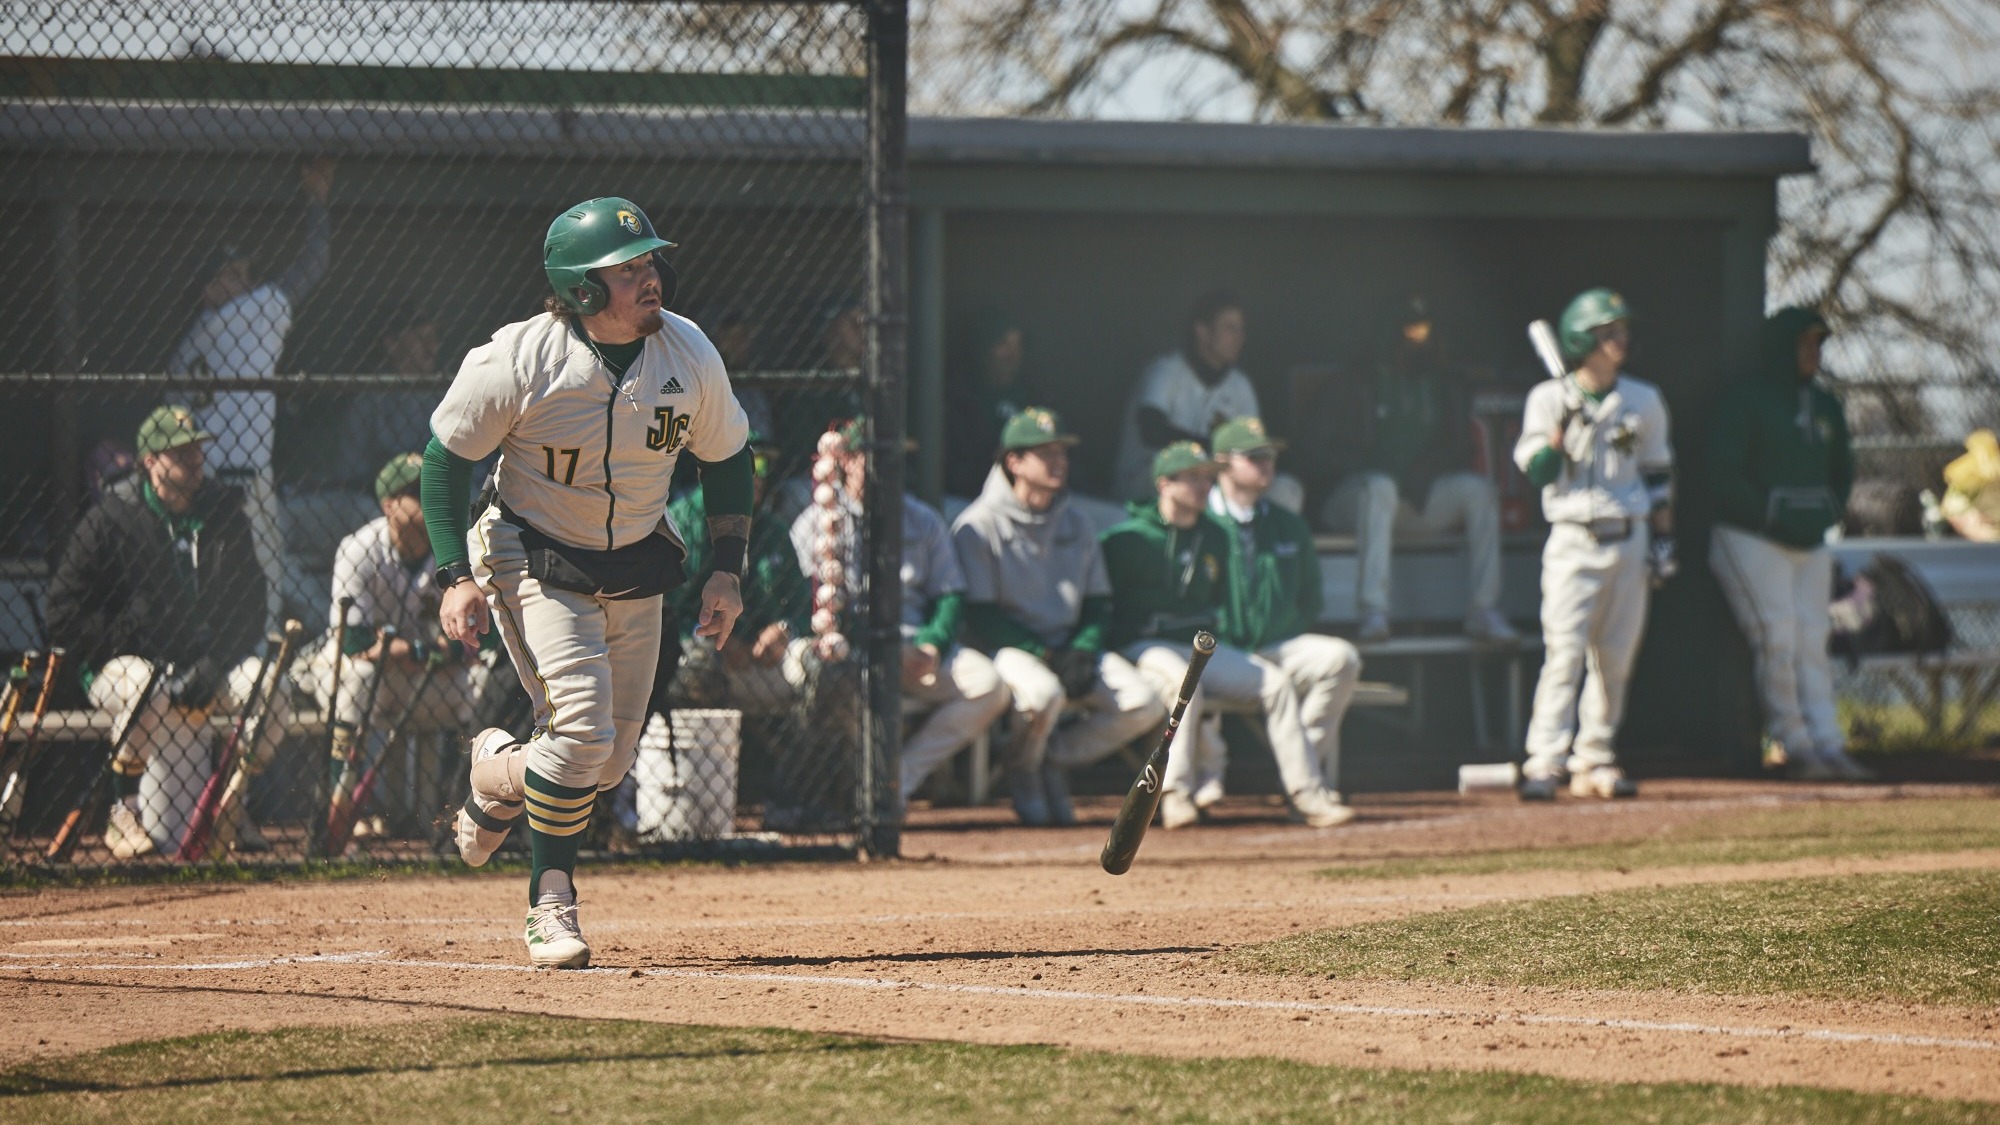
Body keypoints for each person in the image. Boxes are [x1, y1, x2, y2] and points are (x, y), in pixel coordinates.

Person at [425, 197, 753, 968]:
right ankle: (550, 903)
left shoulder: (688, 350)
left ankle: (495, 768)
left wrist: (727, 571)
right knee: (578, 734)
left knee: (606, 762)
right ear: (580, 290)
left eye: (649, 263)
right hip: (531, 550)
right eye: (627, 269)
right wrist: (452, 576)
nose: (650, 279)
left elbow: (729, 457)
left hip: (636, 552)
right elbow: (445, 460)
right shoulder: (517, 359)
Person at [46, 406, 288, 858]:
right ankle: (125, 809)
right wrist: (127, 629)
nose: (195, 460)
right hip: (123, 665)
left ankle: (234, 804)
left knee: (272, 689)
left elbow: (250, 605)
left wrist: (216, 660)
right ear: (150, 463)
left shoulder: (223, 511)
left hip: (205, 663)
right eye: (180, 453)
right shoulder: (110, 518)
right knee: (145, 685)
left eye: (197, 449)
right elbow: (61, 613)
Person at [1101, 440, 1353, 830]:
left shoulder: (1215, 535)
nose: (1205, 487)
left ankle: (1306, 794)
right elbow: (1103, 604)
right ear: (1165, 484)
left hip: (1196, 647)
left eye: (1208, 478)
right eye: (1194, 478)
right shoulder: (1125, 538)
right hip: (1142, 645)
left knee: (1275, 683)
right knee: (1185, 684)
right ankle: (1175, 794)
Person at [953, 408, 1164, 826]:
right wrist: (1044, 653)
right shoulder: (977, 525)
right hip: (1008, 647)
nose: (1059, 462)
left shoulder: (1077, 521)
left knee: (1145, 702)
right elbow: (979, 614)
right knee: (1044, 695)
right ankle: (1024, 771)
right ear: (1013, 462)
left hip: (1069, 643)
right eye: (1045, 453)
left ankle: (1048, 759)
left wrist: (1082, 648)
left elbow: (1097, 602)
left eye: (1062, 452)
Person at [794, 417, 1011, 811]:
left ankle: (897, 779)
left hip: (914, 645)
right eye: (870, 457)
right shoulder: (817, 522)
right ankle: (845, 787)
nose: (883, 467)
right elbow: (814, 607)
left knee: (988, 686)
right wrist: (882, 648)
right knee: (829, 675)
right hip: (849, 649)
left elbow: (950, 593)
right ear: (846, 460)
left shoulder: (921, 518)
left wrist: (932, 644)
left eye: (892, 458)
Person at [1512, 289, 1675, 801]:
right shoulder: (1548, 398)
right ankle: (1544, 760)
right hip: (1574, 539)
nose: (1619, 341)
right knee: (1564, 654)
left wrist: (1665, 540)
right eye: (1608, 333)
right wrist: (1563, 428)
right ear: (1582, 340)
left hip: (1630, 534)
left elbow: (1658, 475)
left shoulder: (1643, 398)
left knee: (1616, 658)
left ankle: (1595, 757)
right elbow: (1538, 472)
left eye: (1622, 331)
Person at [167, 157, 335, 630]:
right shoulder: (244, 315)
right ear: (208, 290)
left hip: (198, 481)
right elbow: (312, 266)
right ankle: (315, 639)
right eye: (233, 274)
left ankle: (305, 639)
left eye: (245, 271)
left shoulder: (184, 350)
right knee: (268, 575)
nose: (248, 282)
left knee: (229, 576)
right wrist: (318, 201)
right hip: (242, 478)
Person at [1708, 307, 1871, 781]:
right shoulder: (1747, 400)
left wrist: (1825, 513)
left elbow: (1843, 472)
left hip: (1810, 542)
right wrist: (1771, 513)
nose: (1814, 353)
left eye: (1819, 344)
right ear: (1783, 347)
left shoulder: (1825, 405)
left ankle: (1829, 742)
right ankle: (1794, 743)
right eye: (1805, 343)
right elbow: (1722, 473)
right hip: (1751, 538)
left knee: (1813, 641)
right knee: (1778, 636)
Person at [304, 453, 495, 820]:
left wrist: (410, 651)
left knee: (483, 680)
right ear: (388, 505)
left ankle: (462, 808)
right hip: (365, 677)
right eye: (414, 492)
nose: (427, 496)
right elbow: (355, 644)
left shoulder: (457, 549)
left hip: (426, 676)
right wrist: (432, 650)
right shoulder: (359, 548)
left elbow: (481, 640)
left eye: (430, 488)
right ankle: (340, 810)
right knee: (357, 678)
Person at [1318, 296, 1514, 643]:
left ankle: (1483, 609)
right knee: (1380, 487)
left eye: (1426, 330)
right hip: (1352, 501)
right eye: (1411, 329)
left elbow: (1458, 447)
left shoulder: (1446, 381)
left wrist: (1424, 471)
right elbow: (1322, 453)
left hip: (1413, 501)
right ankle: (1373, 611)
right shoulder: (1357, 378)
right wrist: (1379, 468)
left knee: (1479, 490)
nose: (1420, 339)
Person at [1199, 416, 1365, 825]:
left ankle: (1298, 772)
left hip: (1275, 644)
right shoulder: (1199, 522)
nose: (1266, 465)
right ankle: (1296, 783)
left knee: (1341, 658)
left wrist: (1282, 624)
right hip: (1219, 651)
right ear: (1223, 463)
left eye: (1270, 457)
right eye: (1255, 457)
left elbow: (1311, 596)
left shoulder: (1286, 522)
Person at [1113, 291, 1264, 504]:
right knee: (1187, 474)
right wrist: (1215, 448)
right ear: (1202, 332)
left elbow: (1253, 447)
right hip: (1147, 480)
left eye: (1241, 329)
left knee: (1285, 489)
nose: (1240, 337)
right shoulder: (1165, 371)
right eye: (1230, 328)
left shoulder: (1240, 385)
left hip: (1208, 482)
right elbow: (1151, 430)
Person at [944, 311, 1031, 500]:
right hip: (964, 499)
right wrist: (994, 460)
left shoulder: (1026, 396)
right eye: (1004, 345)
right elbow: (950, 472)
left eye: (1017, 346)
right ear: (983, 349)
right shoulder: (956, 398)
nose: (1012, 355)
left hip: (1023, 497)